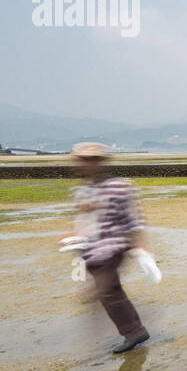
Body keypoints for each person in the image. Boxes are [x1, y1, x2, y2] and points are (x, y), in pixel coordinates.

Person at [69, 143, 151, 354]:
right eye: (84, 160)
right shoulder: (82, 191)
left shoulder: (120, 186)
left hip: (113, 245)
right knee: (109, 290)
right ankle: (134, 329)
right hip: (91, 249)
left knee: (108, 291)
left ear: (102, 162)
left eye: (93, 160)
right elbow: (81, 218)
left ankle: (134, 331)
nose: (88, 165)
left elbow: (133, 217)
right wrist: (72, 236)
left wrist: (139, 244)